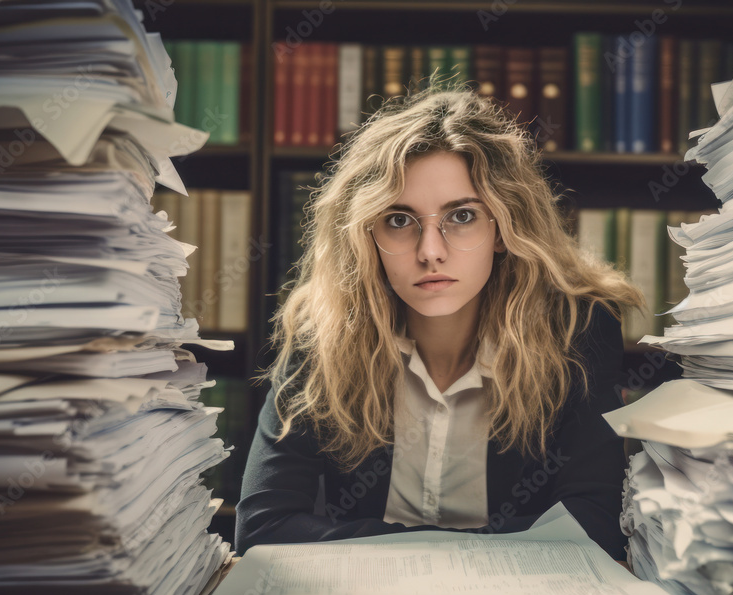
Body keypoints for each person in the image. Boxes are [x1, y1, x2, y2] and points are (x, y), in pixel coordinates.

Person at [236, 85, 643, 561]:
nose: (431, 250)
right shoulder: (324, 328)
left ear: (503, 228)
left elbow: (594, 524)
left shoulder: (577, 329)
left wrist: (407, 548)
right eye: (400, 220)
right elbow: (263, 528)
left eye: (462, 216)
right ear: (366, 234)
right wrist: (462, 550)